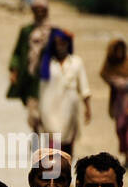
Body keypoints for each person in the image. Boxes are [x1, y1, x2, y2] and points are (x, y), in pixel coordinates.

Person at [39, 28, 91, 157]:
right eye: (58, 43)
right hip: (50, 109)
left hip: (69, 109)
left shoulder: (76, 62)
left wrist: (87, 108)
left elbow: (84, 87)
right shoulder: (48, 64)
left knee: (67, 144)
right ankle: (52, 173)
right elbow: (42, 89)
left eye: (63, 43)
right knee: (53, 144)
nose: (61, 46)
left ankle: (64, 173)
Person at [7, 0, 51, 137]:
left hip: (49, 80)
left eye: (41, 10)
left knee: (49, 115)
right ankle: (36, 142)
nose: (39, 13)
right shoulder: (26, 31)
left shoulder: (53, 32)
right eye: (36, 10)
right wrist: (14, 71)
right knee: (34, 115)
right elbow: (18, 52)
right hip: (31, 79)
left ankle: (51, 149)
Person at [100, 39, 128, 171]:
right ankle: (127, 157)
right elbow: (105, 76)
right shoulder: (109, 65)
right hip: (118, 101)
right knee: (120, 129)